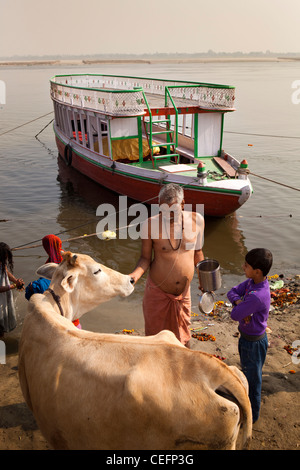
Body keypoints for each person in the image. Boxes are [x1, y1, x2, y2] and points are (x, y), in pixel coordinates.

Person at [129, 183, 205, 347]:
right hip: (157, 292)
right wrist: (133, 277)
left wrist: (205, 281)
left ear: (182, 205)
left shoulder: (197, 221)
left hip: (183, 294)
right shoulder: (149, 225)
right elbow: (145, 259)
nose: (168, 214)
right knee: (155, 343)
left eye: (173, 210)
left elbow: (198, 253)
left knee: (183, 340)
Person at [227, 248, 273, 423]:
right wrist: (239, 302)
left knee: (253, 381)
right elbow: (232, 291)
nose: (243, 267)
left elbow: (234, 315)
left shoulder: (257, 296)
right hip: (246, 338)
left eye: (246, 266)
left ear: (257, 271)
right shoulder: (251, 284)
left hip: (254, 344)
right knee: (248, 373)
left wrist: (240, 306)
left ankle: (251, 416)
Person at [25, 234, 63, 300]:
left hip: (56, 292)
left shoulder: (61, 262)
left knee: (32, 288)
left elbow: (53, 279)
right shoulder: (62, 256)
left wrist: (34, 286)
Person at [0, 242, 24, 336]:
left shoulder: (2, 263)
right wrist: (13, 286)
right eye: (4, 257)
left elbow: (6, 272)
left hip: (4, 296)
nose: (6, 259)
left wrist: (16, 281)